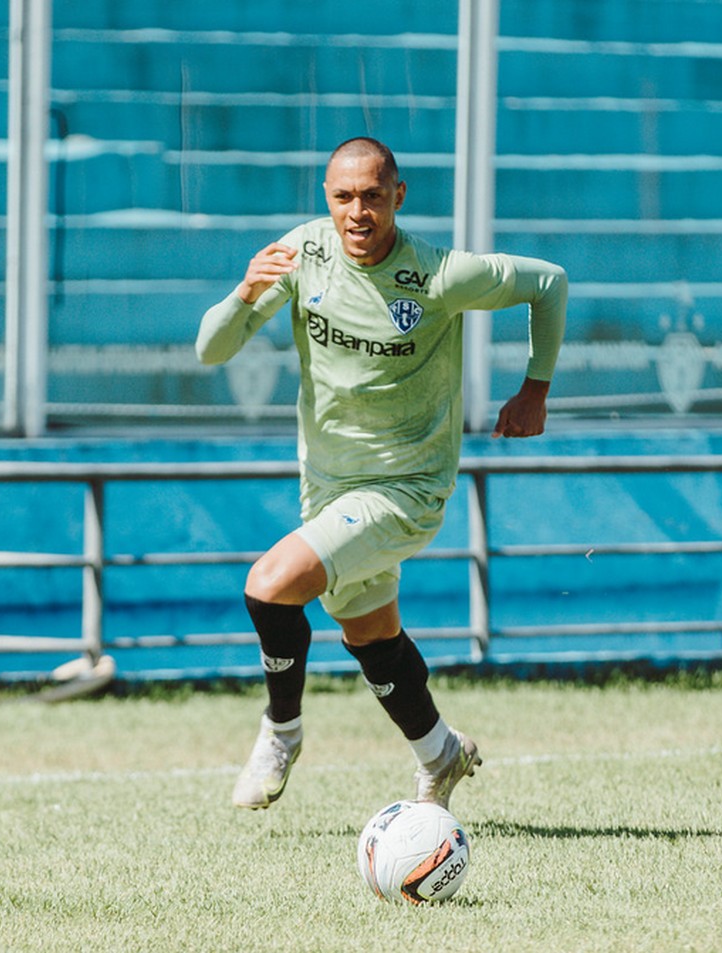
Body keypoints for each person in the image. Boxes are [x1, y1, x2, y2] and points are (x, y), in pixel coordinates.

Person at [196, 137, 567, 811]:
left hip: (406, 489)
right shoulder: (304, 255)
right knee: (371, 635)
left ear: (398, 195)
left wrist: (534, 388)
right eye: (343, 197)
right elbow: (210, 348)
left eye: (372, 195)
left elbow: (548, 283)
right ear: (326, 199)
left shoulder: (436, 273)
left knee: (270, 585)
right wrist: (244, 292)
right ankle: (440, 752)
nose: (357, 212)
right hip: (329, 485)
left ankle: (281, 730)